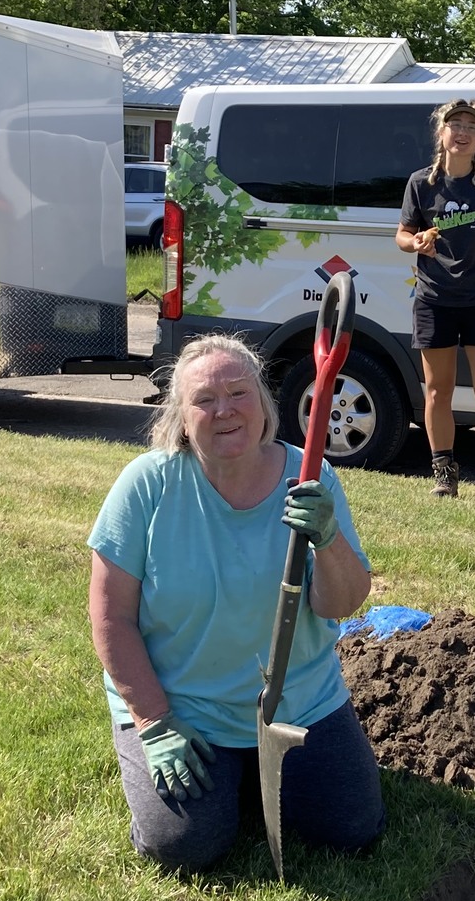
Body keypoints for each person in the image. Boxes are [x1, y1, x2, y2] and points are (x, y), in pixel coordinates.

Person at [87, 334, 384, 872]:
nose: (223, 409)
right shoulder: (147, 485)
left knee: (350, 828)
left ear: (264, 403)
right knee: (185, 845)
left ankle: (245, 771)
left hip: (298, 700)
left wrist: (329, 537)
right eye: (203, 399)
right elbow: (110, 617)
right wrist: (154, 721)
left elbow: (341, 603)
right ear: (180, 416)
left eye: (238, 393)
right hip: (184, 704)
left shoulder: (310, 477)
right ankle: (211, 771)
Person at [395, 98, 475, 503]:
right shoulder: (421, 183)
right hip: (434, 299)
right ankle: (444, 474)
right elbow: (402, 234)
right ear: (442, 133)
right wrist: (414, 242)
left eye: (471, 125)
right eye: (455, 124)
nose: (462, 132)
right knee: (438, 392)